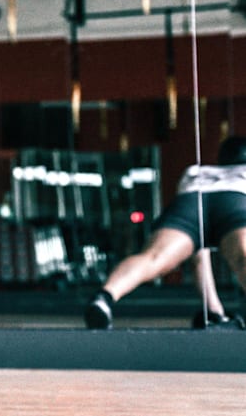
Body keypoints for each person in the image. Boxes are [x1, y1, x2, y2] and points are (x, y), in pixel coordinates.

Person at [85, 135, 246, 329]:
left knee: (153, 258)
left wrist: (213, 310)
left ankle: (104, 298)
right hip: (236, 200)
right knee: (242, 258)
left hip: (191, 200)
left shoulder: (196, 172)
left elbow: (199, 256)